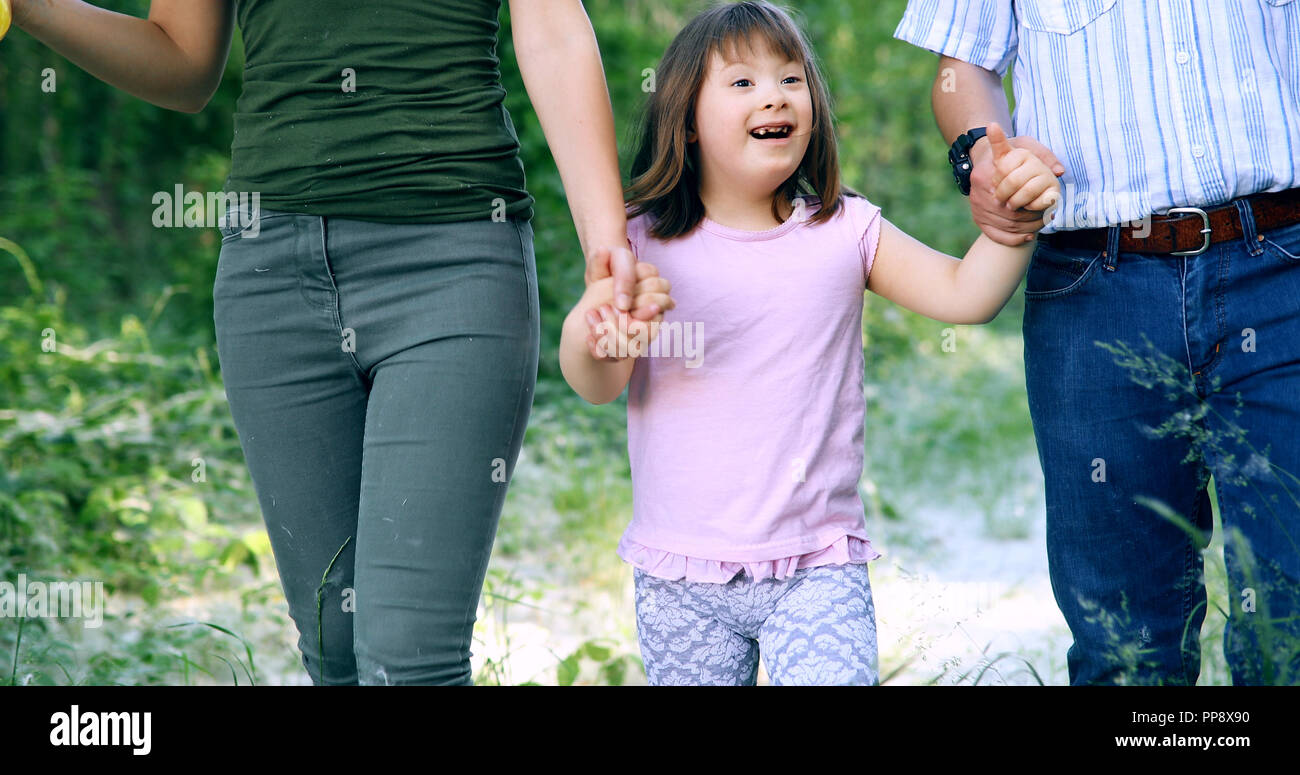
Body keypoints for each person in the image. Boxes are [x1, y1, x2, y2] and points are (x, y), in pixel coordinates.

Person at [9, 0, 658, 685]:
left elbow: (552, 26)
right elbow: (182, 57)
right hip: (272, 276)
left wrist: (604, 242)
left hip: (452, 254)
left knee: (409, 658)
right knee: (335, 648)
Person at [558, 1, 1060, 686]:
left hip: (818, 568)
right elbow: (596, 381)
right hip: (681, 574)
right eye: (742, 83)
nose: (774, 94)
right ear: (686, 121)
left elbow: (966, 295)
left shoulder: (844, 230)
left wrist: (1013, 225)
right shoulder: (638, 241)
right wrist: (597, 334)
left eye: (791, 78)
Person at [896, 0, 1300, 685]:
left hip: (1282, 265)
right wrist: (982, 160)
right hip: (1093, 288)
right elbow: (963, 62)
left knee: (1288, 621)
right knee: (1124, 644)